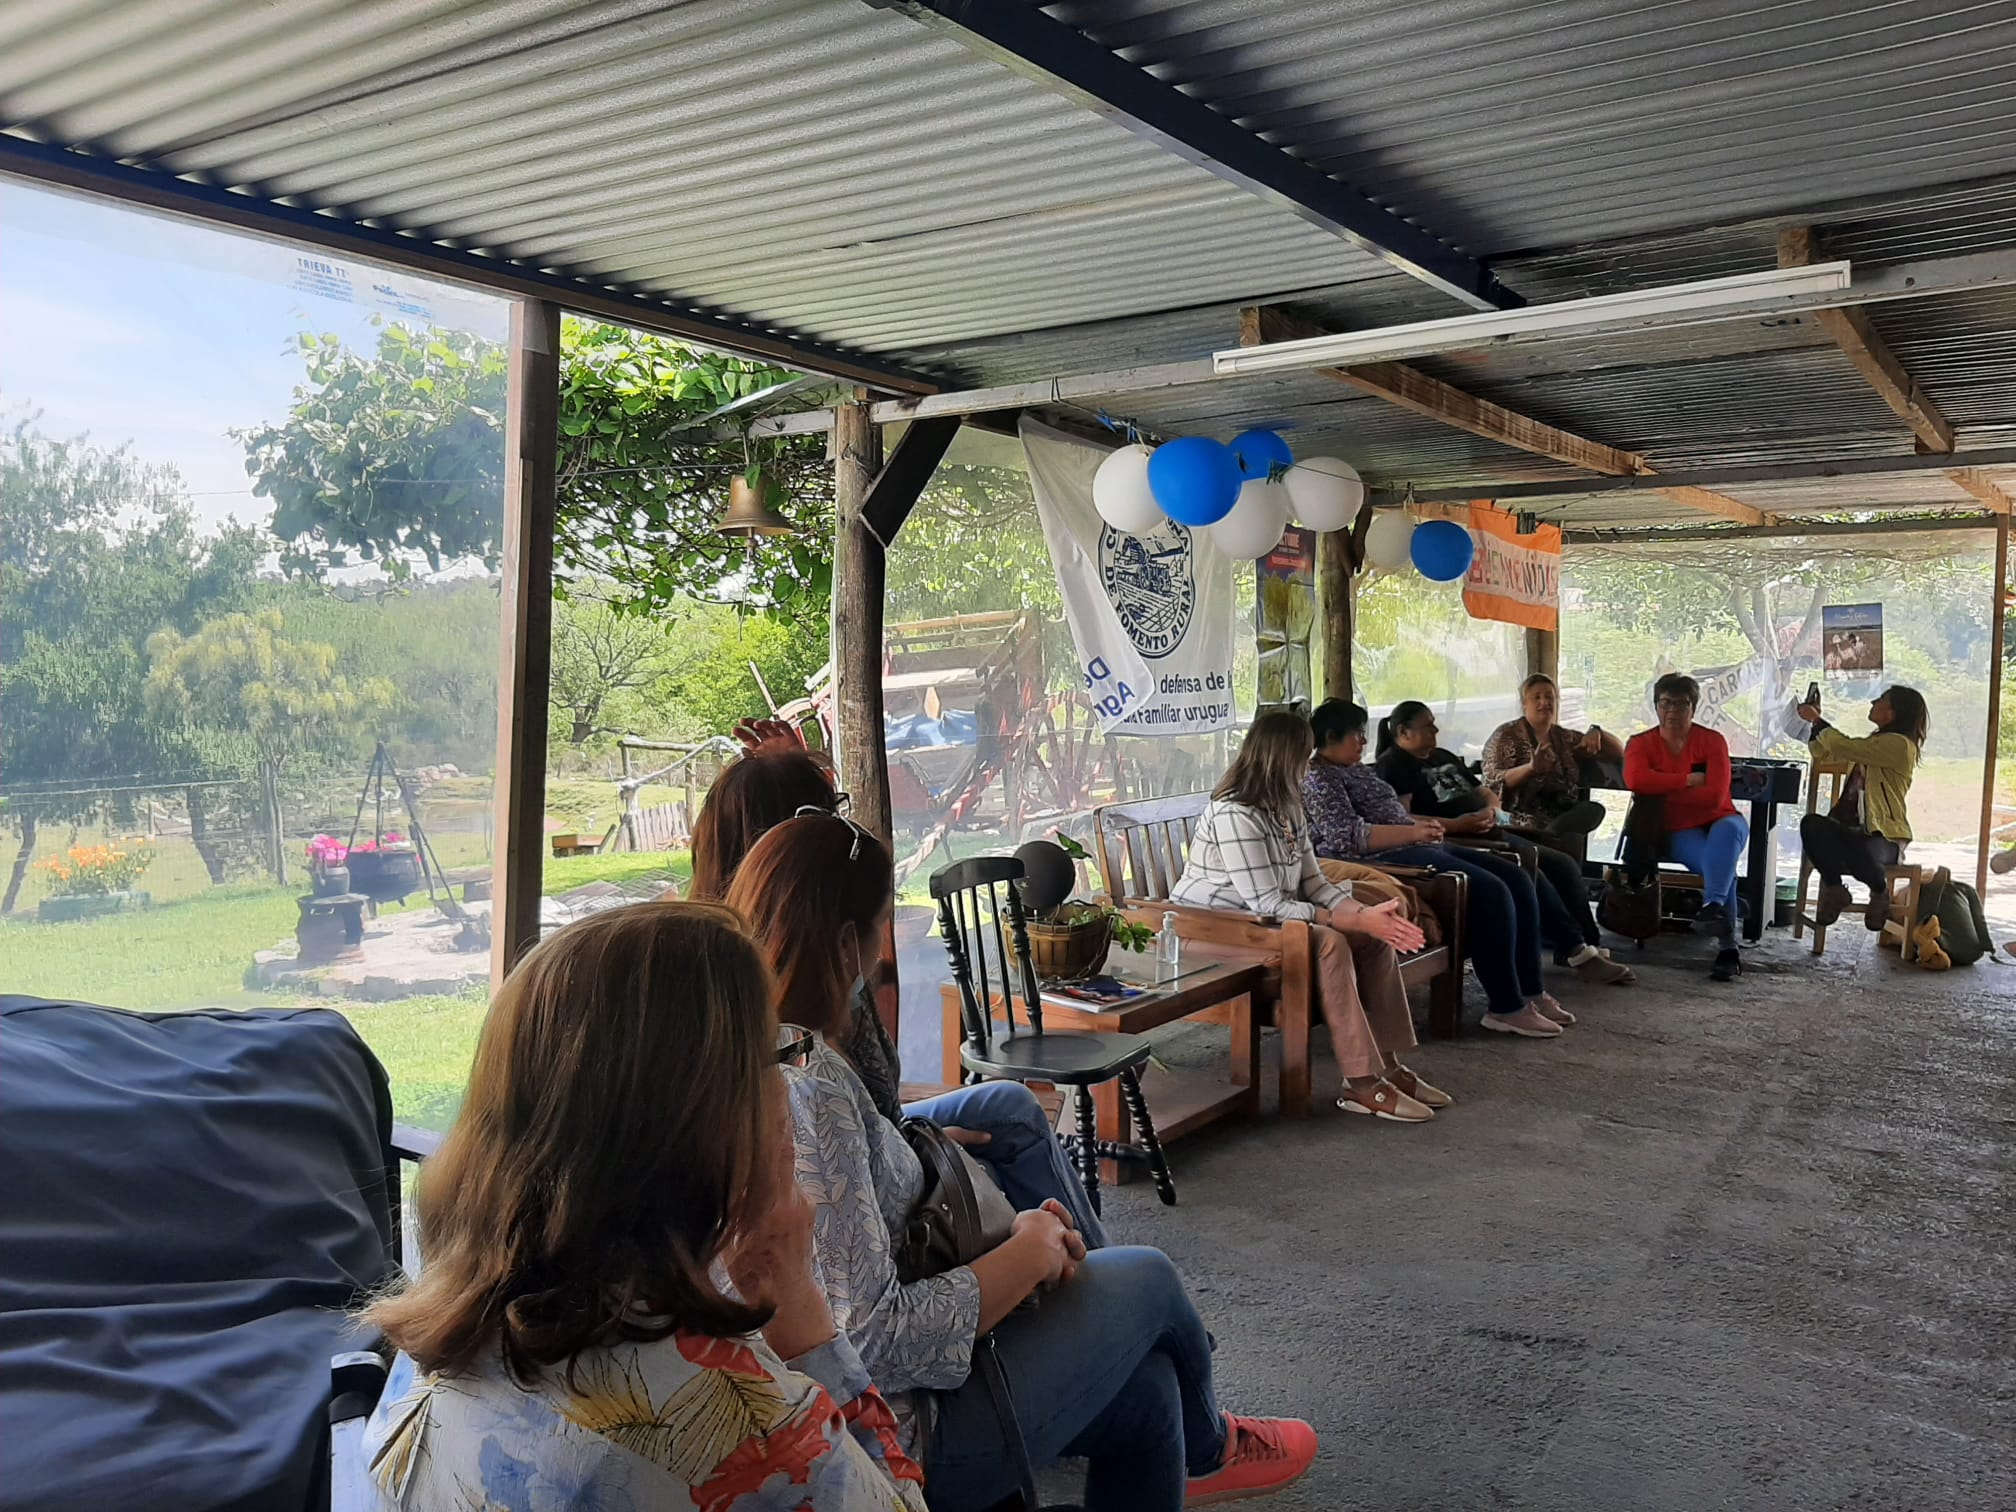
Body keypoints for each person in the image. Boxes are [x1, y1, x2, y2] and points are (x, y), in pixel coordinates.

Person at [726, 814, 1317, 1512]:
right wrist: (1027, 1255)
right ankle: (1211, 1448)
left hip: (889, 1385)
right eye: (885, 922)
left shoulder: (756, 1041)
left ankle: (1177, 1406)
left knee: (1152, 1389)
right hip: (896, 1444)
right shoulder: (804, 1087)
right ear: (844, 941)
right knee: (1151, 1282)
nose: (890, 947)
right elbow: (873, 1344)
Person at [359, 901, 929, 1511]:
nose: (788, 1082)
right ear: (708, 1117)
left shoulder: (434, 1344)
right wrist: (803, 1315)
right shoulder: (748, 1430)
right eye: (775, 1056)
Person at [691, 747, 1078, 1221]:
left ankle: (1081, 1258)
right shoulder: (790, 1017)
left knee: (1011, 1104)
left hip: (882, 1133)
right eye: (828, 815)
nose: (839, 826)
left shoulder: (781, 953)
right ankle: (1084, 1264)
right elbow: (844, 1146)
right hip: (874, 1157)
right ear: (790, 854)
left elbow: (876, 1106)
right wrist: (918, 1154)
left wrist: (909, 1140)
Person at [1173, 709, 1454, 1114]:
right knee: (1328, 942)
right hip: (1214, 929)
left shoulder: (1286, 807)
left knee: (1368, 938)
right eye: (1303, 758)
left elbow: (1315, 885)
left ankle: (1388, 1066)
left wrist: (1366, 918)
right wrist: (1350, 919)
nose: (1308, 766)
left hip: (1264, 924)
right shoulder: (1235, 813)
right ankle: (1359, 1082)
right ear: (1279, 759)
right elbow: (1268, 904)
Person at [1305, 699, 1578, 1039]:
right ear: (1331, 736)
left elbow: (1395, 814)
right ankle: (1506, 1006)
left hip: (1415, 844)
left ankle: (1531, 991)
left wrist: (1426, 828)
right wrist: (1414, 832)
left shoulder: (1355, 768)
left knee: (1517, 876)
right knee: (1491, 891)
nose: (1363, 741)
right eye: (1356, 735)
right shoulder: (1319, 776)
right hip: (1382, 858)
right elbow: (1346, 836)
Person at [1376, 700, 1631, 986]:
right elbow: (1404, 818)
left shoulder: (1441, 756)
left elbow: (1484, 789)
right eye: (1428, 725)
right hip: (1453, 836)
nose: (1436, 729)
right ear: (1404, 731)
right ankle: (1577, 951)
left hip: (1485, 827)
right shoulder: (1393, 765)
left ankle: (1584, 945)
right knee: (1530, 867)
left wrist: (1490, 809)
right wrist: (1460, 825)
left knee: (1563, 863)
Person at [1623, 673, 1750, 982]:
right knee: (1721, 869)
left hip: (1722, 819)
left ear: (1693, 708)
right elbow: (1636, 780)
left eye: (1681, 704)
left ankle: (1714, 905)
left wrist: (1664, 787)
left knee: (1729, 833)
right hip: (1677, 829)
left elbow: (1715, 796)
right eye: (1666, 703)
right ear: (1655, 706)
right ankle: (1728, 947)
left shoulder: (1712, 741)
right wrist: (1686, 780)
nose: (1673, 711)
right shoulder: (1641, 743)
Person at [1795, 685, 1928, 931]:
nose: (1872, 702)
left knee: (1858, 847)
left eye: (1881, 700)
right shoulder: (1874, 744)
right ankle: (1835, 888)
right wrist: (1816, 725)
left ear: (1893, 713)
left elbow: (1845, 747)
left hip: (1884, 836)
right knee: (1811, 825)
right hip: (1849, 831)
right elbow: (1826, 754)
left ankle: (1879, 891)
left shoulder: (1900, 745)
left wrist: (1817, 720)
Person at [1481, 674, 1621, 837]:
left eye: (1549, 697)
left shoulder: (1563, 736)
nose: (1544, 702)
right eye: (1537, 697)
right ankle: (1548, 840)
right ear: (1525, 704)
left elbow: (1619, 751)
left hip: (1561, 815)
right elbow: (1492, 781)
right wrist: (1530, 769)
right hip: (1518, 819)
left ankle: (1551, 837)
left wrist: (1596, 731)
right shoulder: (1505, 736)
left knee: (1594, 810)